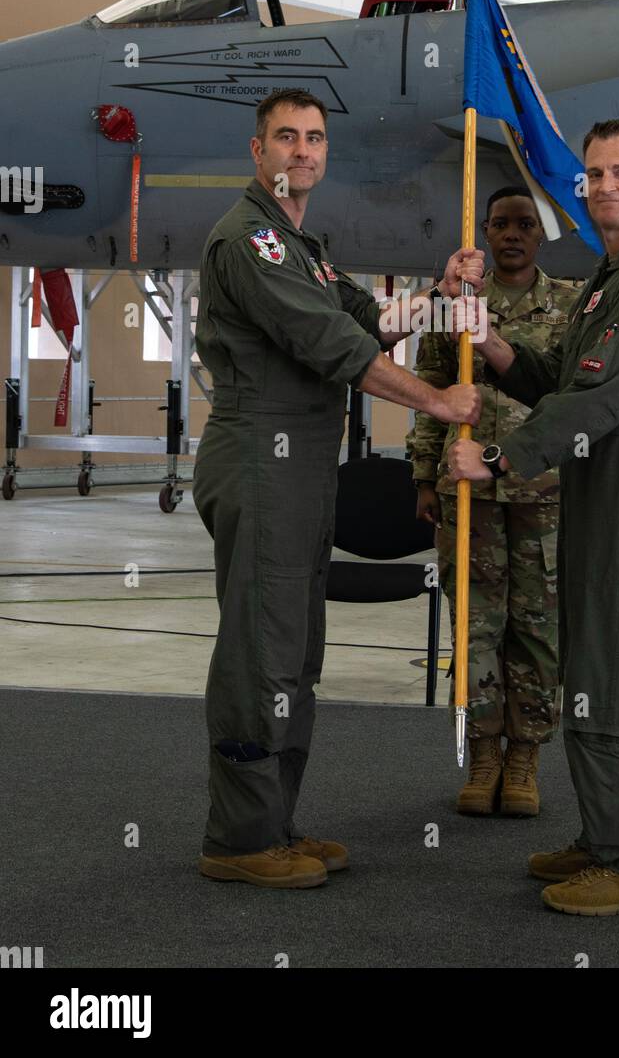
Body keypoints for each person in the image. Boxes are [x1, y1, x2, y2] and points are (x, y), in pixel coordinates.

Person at [193, 87, 482, 889]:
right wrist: (436, 402)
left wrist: (439, 291)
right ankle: (239, 837)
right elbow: (334, 346)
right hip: (259, 459)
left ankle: (274, 822)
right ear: (259, 152)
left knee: (293, 654)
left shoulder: (303, 244)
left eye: (315, 138)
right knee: (261, 652)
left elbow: (368, 319)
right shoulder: (252, 240)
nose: (302, 151)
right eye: (286, 137)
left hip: (301, 466)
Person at [448, 120, 619, 916]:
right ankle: (605, 837)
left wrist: (498, 459)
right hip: (601, 487)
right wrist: (490, 341)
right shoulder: (612, 277)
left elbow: (601, 398)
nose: (605, 187)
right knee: (593, 666)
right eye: (594, 175)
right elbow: (563, 380)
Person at [407, 187, 579, 816]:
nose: (512, 234)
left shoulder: (568, 303)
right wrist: (424, 477)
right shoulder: (455, 307)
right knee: (475, 627)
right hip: (466, 496)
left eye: (525, 224)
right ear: (483, 231)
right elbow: (429, 393)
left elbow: (569, 394)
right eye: (500, 224)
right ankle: (481, 755)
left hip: (543, 495)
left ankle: (525, 758)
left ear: (540, 235)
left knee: (536, 629)